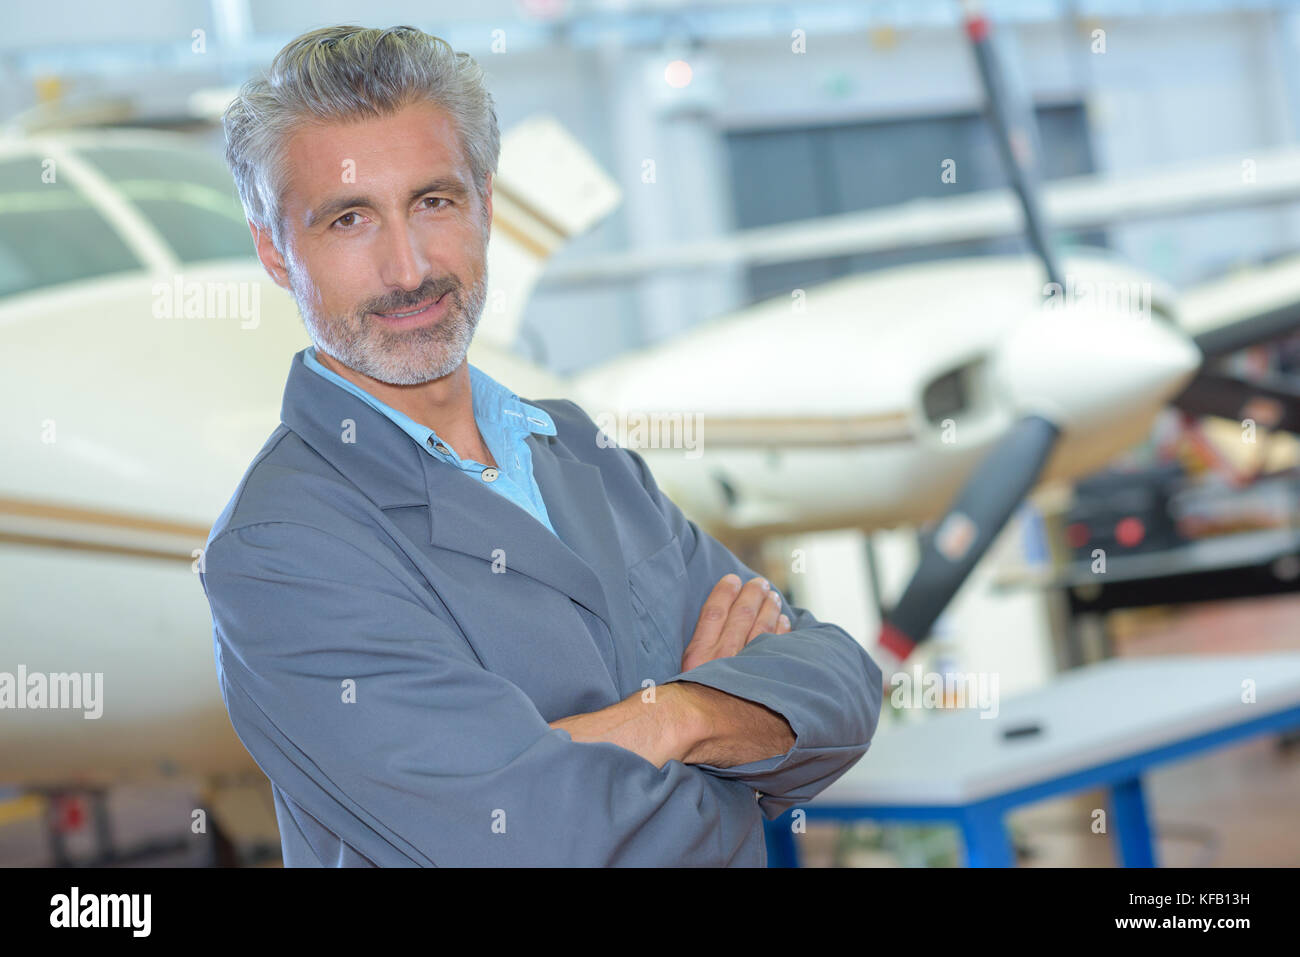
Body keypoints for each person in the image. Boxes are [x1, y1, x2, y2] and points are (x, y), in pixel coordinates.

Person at [201, 23, 883, 867]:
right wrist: (734, 745)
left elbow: (842, 681)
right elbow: (527, 836)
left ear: (486, 202)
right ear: (275, 250)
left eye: (433, 201)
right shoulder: (280, 549)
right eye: (349, 220)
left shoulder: (576, 446)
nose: (409, 267)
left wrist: (673, 714)